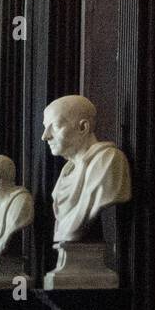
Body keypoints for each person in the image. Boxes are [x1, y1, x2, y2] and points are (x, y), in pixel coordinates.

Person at [42, 96, 130, 243]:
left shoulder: (108, 160)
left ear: (83, 127)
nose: (45, 136)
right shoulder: (67, 170)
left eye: (55, 126)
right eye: (45, 127)